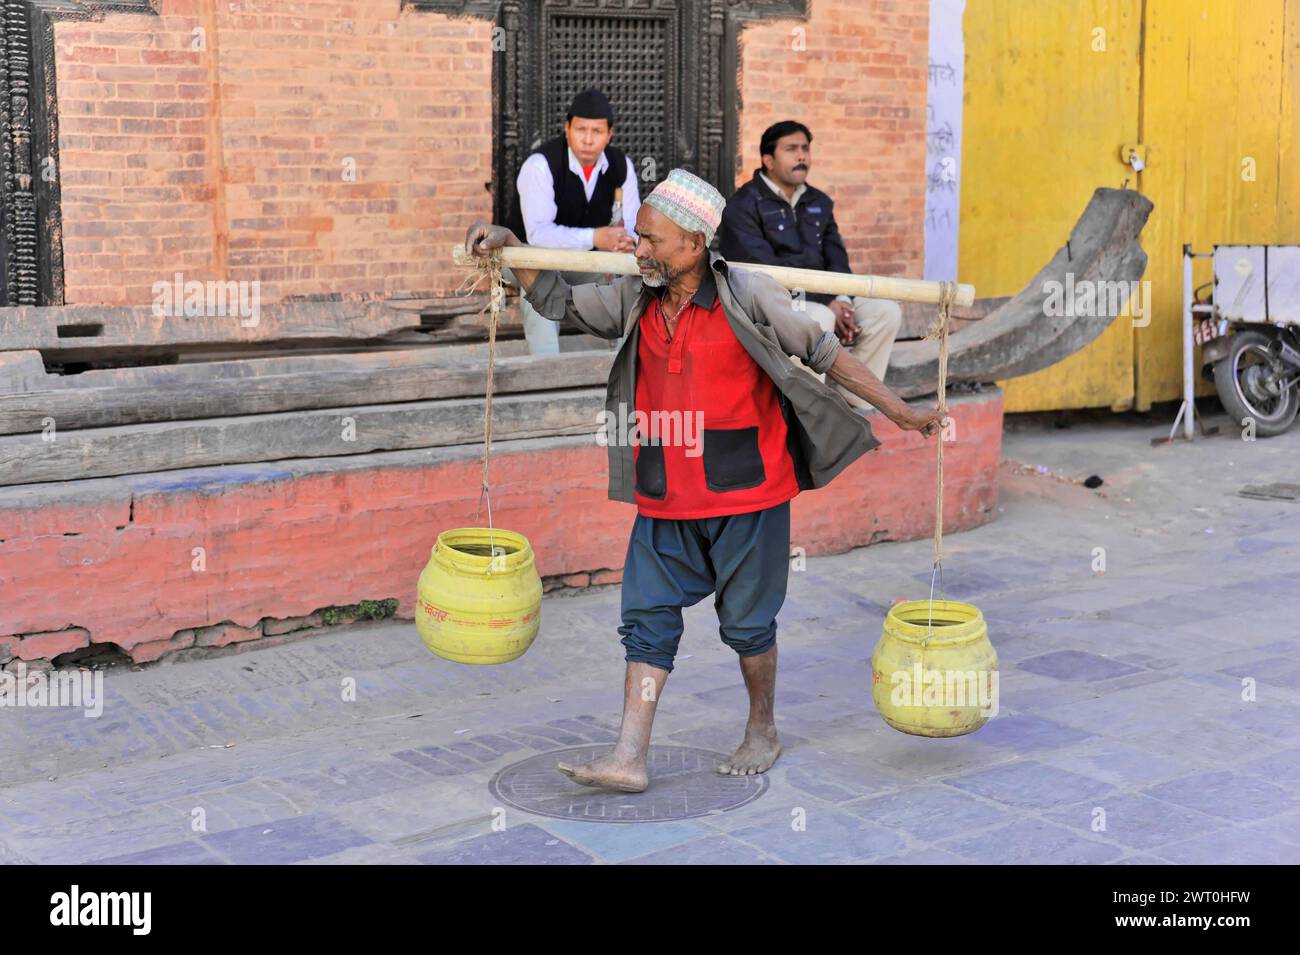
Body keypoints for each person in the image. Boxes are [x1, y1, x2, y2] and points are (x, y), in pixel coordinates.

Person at [465, 169, 942, 793]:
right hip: (665, 492)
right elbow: (563, 302)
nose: (638, 251)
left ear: (696, 243)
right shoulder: (636, 295)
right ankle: (629, 755)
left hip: (749, 492)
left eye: (651, 241)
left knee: (748, 625)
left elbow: (826, 355)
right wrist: (510, 251)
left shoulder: (751, 293)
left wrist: (903, 412)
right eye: (637, 238)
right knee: (645, 618)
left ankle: (762, 727)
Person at [719, 120, 902, 407]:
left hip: (825, 296)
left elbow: (837, 257)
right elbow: (762, 269)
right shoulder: (742, 205)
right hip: (773, 300)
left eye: (805, 148)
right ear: (768, 160)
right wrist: (830, 302)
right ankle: (808, 407)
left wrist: (842, 299)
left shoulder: (819, 202)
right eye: (791, 149)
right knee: (820, 318)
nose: (802, 156)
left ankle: (853, 400)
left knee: (885, 312)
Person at [508, 88, 641, 355]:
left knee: (612, 281)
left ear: (609, 134)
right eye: (581, 130)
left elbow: (631, 225)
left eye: (597, 132)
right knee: (538, 280)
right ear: (567, 128)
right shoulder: (541, 165)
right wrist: (596, 238)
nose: (588, 140)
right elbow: (538, 235)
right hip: (522, 257)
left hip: (581, 262)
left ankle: (609, 365)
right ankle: (548, 371)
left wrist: (625, 240)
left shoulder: (621, 165)